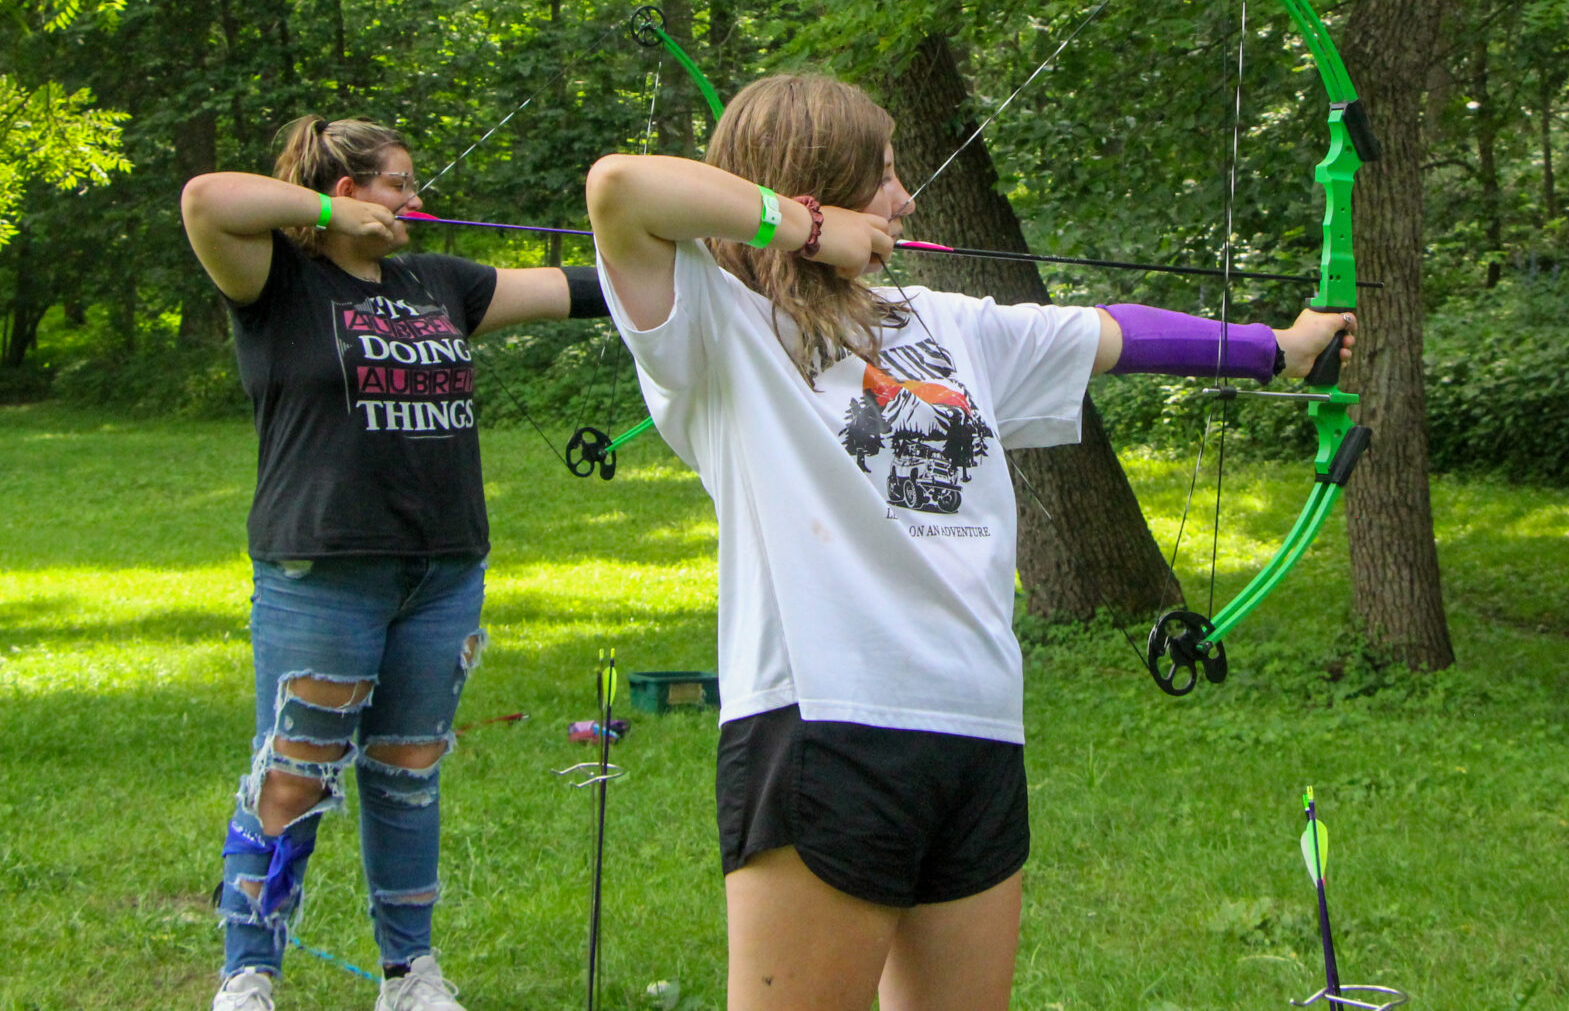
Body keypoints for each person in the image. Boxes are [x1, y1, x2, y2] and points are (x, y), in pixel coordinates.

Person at [585, 73, 1354, 1011]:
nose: (906, 198)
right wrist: (808, 230)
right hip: (825, 722)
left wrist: (1282, 346)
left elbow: (1120, 334)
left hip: (976, 726)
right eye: (884, 172)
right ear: (811, 184)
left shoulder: (944, 323)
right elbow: (621, 187)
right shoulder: (713, 330)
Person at [181, 117, 613, 1011]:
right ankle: (248, 972)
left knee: (408, 773)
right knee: (296, 768)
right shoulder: (275, 280)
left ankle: (409, 974)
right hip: (327, 566)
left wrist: (716, 262)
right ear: (343, 192)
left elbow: (578, 287)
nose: (415, 201)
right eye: (397, 185)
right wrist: (325, 216)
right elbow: (206, 200)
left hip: (442, 570)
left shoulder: (440, 281)